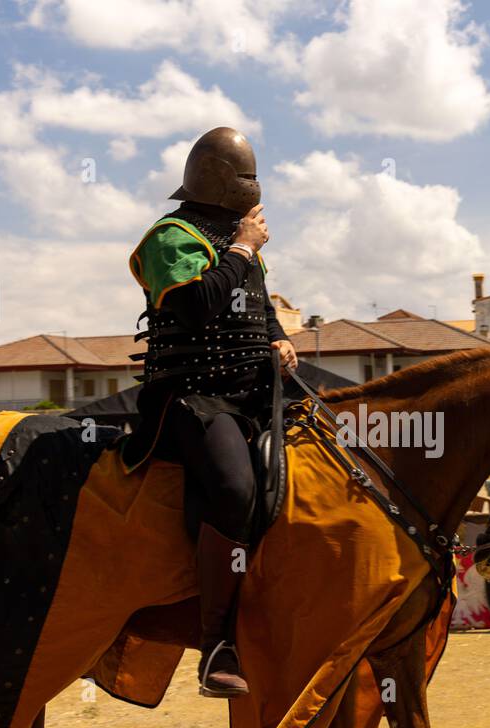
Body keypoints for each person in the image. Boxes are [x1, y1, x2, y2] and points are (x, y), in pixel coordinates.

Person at [123, 127, 298, 698]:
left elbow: (257, 308)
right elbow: (197, 307)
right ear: (222, 181)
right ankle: (217, 643)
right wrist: (244, 249)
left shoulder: (239, 241)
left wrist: (276, 339)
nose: (257, 187)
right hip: (190, 399)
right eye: (247, 176)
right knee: (232, 488)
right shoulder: (169, 238)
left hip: (251, 394)